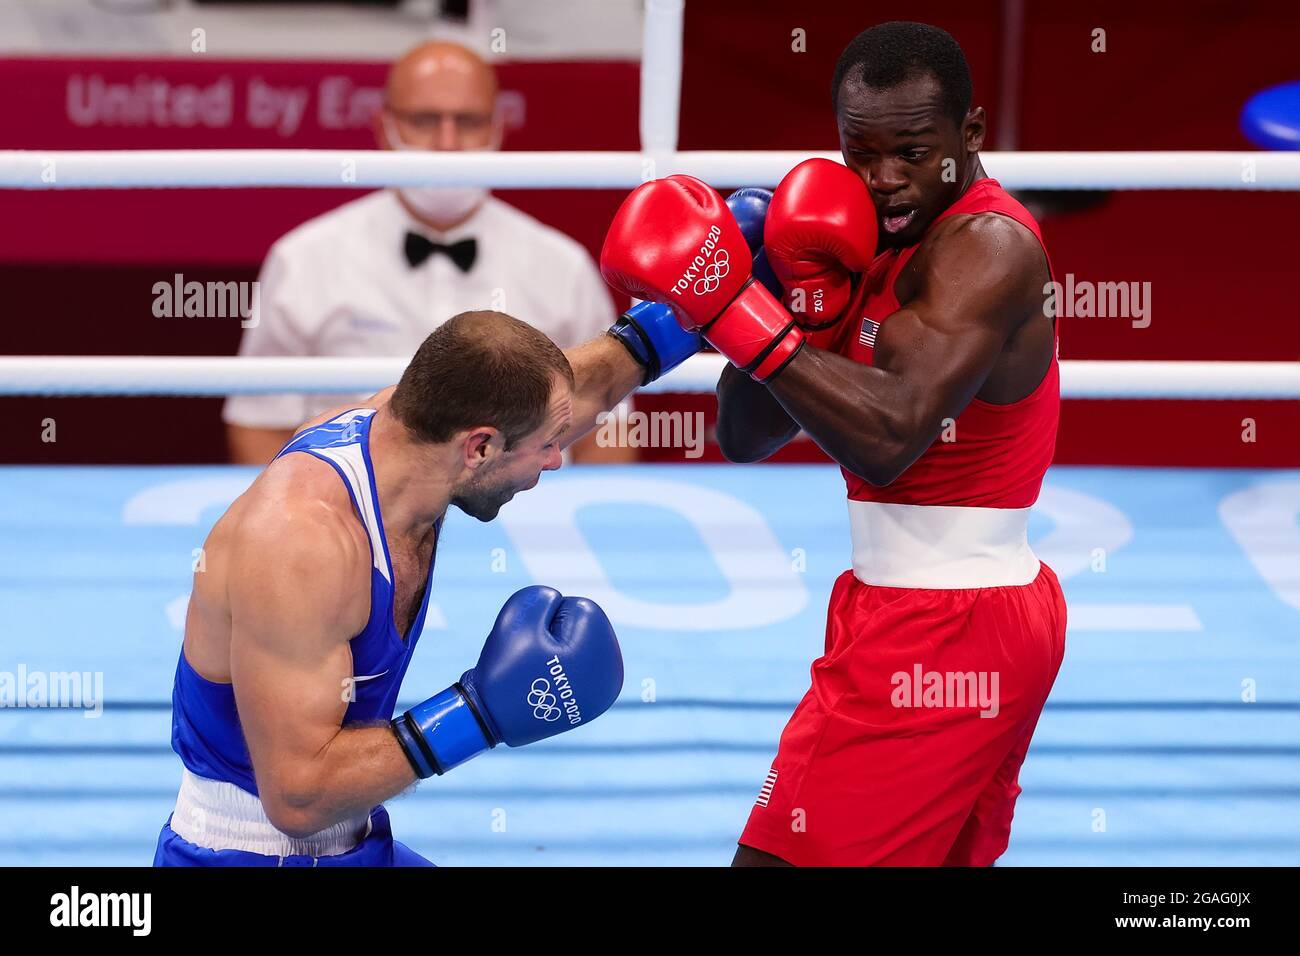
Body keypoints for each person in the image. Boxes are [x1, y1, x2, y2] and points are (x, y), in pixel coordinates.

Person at [154, 187, 779, 866]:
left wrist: (707, 300)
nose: (557, 461)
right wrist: (478, 714)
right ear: (479, 447)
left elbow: (591, 380)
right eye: (544, 447)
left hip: (355, 843)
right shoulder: (302, 541)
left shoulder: (419, 422)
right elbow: (299, 799)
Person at [599, 21, 1067, 866]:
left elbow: (890, 436)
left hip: (945, 626)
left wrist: (733, 307)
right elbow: (743, 434)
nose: (885, 181)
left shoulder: (986, 249)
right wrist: (798, 303)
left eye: (914, 153)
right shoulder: (853, 236)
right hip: (913, 609)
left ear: (970, 135)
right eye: (863, 153)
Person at [223, 38, 625, 465]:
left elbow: (606, 434)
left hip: (528, 518)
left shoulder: (564, 267)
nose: (447, 142)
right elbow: (259, 425)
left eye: (468, 121)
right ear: (384, 127)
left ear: (498, 127)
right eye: (424, 120)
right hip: (348, 517)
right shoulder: (303, 259)